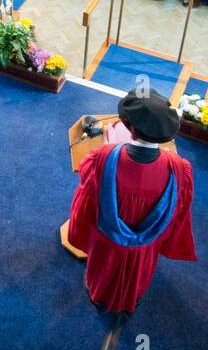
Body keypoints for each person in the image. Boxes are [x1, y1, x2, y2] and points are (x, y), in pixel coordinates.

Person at [67, 89, 196, 314]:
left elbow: (87, 195)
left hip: (108, 240)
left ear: (131, 129)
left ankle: (98, 295)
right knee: (140, 268)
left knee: (103, 266)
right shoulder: (180, 168)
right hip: (145, 244)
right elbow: (179, 212)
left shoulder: (102, 157)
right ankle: (133, 297)